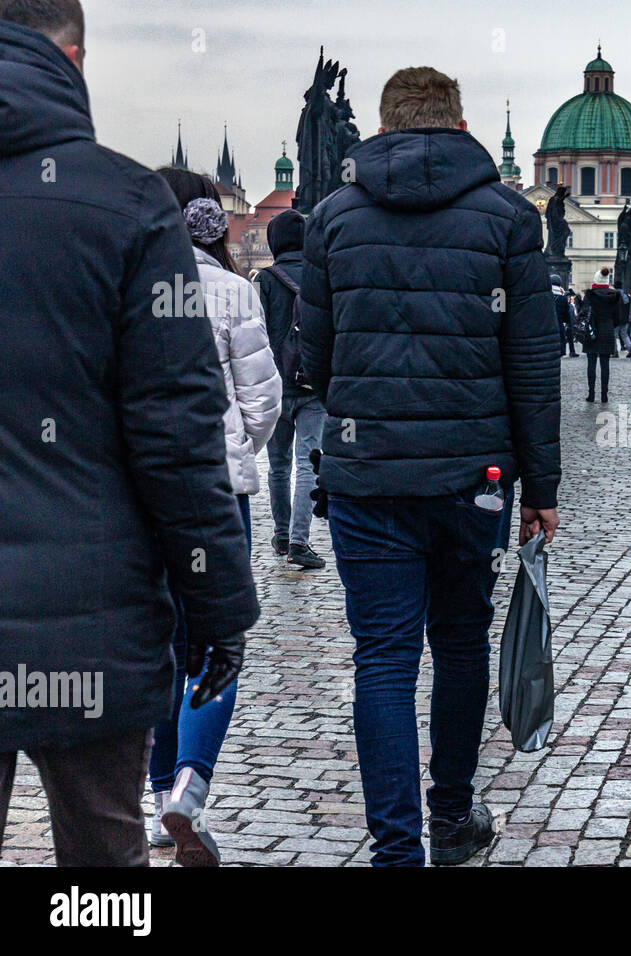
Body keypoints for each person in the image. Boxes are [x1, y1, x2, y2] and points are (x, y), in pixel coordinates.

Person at [0, 0, 258, 867]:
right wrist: (219, 604)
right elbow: (178, 437)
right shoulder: (129, 201)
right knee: (104, 867)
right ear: (75, 56)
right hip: (87, 619)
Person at [298, 66, 561, 867]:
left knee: (381, 658)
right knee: (458, 643)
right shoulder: (510, 219)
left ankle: (396, 851)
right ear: (458, 123)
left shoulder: (332, 218)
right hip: (470, 480)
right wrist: (540, 488)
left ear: (380, 127)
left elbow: (316, 356)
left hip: (366, 470)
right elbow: (533, 363)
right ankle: (451, 815)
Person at [151, 168, 281, 866]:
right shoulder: (236, 291)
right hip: (219, 493)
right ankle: (189, 787)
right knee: (216, 640)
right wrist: (235, 447)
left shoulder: (125, 288)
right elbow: (263, 404)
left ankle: (151, 801)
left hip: (142, 499)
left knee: (157, 648)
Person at [255, 208, 327, 571]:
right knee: (308, 464)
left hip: (274, 386)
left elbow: (255, 334)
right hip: (312, 386)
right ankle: (300, 541)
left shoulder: (263, 280)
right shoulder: (321, 279)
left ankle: (281, 534)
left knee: (277, 465)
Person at [583, 266, 623, 403]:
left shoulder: (590, 295)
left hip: (592, 331)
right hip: (607, 330)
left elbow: (583, 313)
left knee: (591, 364)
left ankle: (591, 394)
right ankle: (604, 395)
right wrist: (610, 325)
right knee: (605, 365)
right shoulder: (614, 296)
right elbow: (618, 318)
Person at [552, 273, 577, 358]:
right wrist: (567, 323)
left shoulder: (546, 297)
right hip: (559, 325)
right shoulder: (562, 299)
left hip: (547, 326)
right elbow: (566, 314)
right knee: (561, 343)